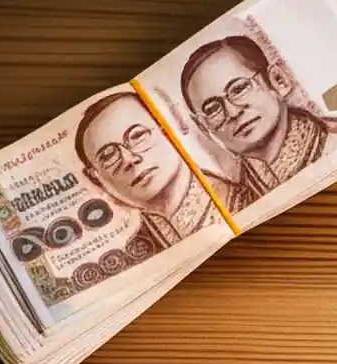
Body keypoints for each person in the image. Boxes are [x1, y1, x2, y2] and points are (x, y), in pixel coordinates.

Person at [179, 35, 337, 197]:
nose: (233, 112)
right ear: (205, 128)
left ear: (277, 80)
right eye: (213, 109)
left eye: (238, 89)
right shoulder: (237, 204)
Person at [74, 92, 250, 248]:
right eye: (107, 156)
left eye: (137, 136)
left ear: (166, 129)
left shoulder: (248, 202)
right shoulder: (135, 252)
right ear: (96, 178)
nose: (129, 159)